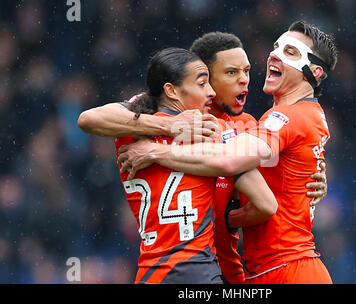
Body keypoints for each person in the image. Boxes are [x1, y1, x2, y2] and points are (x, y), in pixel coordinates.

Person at [78, 32, 328, 283]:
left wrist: (309, 172)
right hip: (202, 270)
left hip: (161, 271)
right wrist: (170, 126)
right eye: (231, 73)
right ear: (199, 77)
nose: (244, 80)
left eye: (247, 71)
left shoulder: (244, 127)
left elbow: (278, 173)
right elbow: (89, 119)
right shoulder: (211, 130)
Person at [108, 47, 278, 284]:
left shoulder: (127, 136)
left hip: (150, 273)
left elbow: (89, 119)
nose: (211, 92)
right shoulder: (208, 132)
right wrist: (226, 218)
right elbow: (266, 204)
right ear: (171, 91)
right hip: (195, 270)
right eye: (202, 84)